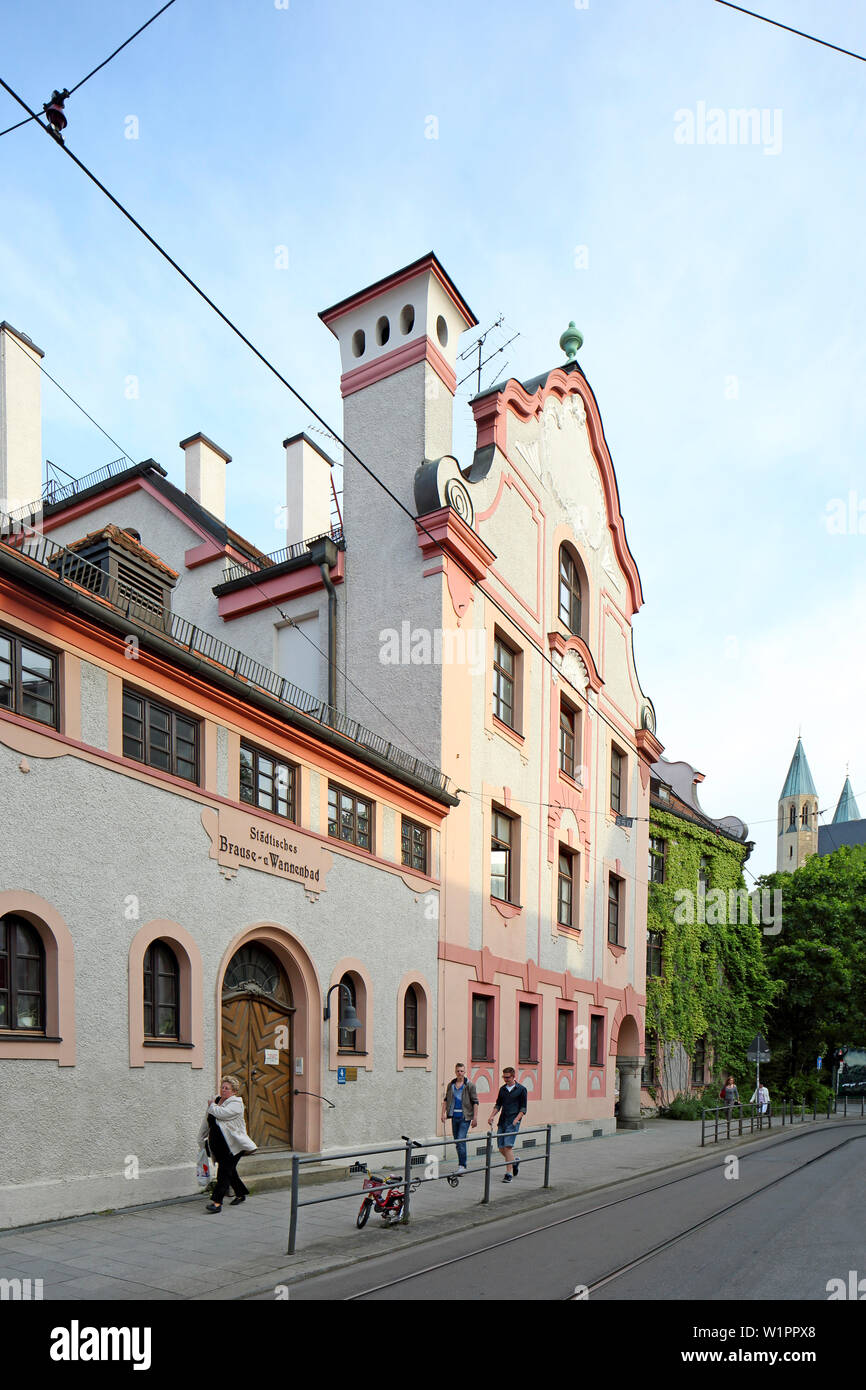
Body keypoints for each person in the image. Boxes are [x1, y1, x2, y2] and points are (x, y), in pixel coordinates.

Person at [198, 1076, 257, 1213]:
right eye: (222, 1087)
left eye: (227, 1088)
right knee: (230, 1171)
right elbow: (208, 1121)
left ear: (234, 1091)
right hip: (218, 1146)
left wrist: (211, 1105)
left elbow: (222, 1114)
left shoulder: (236, 1103)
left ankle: (217, 1203)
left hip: (233, 1147)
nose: (223, 1090)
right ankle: (241, 1193)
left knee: (223, 1173)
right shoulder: (217, 1101)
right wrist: (200, 1138)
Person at [488, 1066, 528, 1182]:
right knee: (501, 1149)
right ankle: (514, 1162)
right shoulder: (502, 1089)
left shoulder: (521, 1089)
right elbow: (498, 1105)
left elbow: (524, 1108)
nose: (505, 1079)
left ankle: (508, 1174)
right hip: (502, 1121)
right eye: (504, 1077)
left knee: (508, 1147)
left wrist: (517, 1119)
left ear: (513, 1076)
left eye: (507, 1077)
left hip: (513, 1122)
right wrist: (491, 1116)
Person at [441, 1062, 479, 1173]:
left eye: (462, 1071)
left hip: (465, 1117)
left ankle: (462, 1166)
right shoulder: (451, 1085)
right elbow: (445, 1100)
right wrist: (442, 1114)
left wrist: (475, 1118)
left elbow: (475, 1102)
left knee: (461, 1140)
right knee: (457, 1142)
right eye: (458, 1071)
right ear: (455, 1071)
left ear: (465, 1072)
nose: (460, 1073)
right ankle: (462, 1164)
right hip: (454, 1117)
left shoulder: (469, 1085)